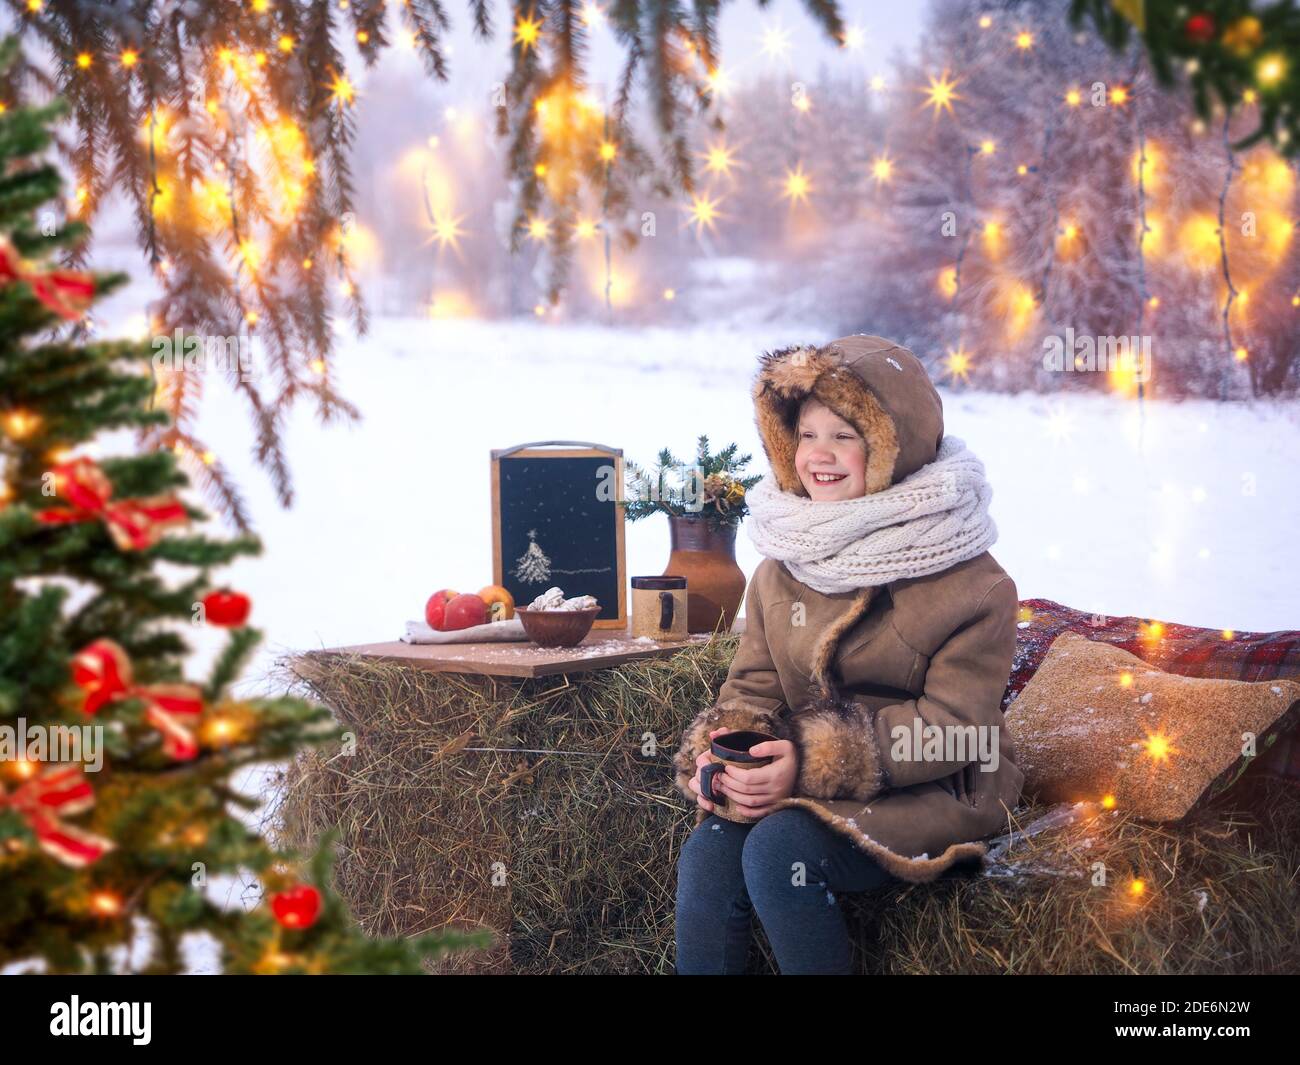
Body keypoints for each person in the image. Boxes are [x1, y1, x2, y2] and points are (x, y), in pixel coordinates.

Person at [672, 335, 1023, 975]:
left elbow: (957, 730)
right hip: (812, 782)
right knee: (713, 847)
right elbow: (751, 688)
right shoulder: (781, 569)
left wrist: (805, 764)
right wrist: (729, 758)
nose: (820, 456)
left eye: (845, 436)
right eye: (806, 436)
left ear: (894, 449)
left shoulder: (974, 585)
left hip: (936, 787)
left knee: (780, 850)